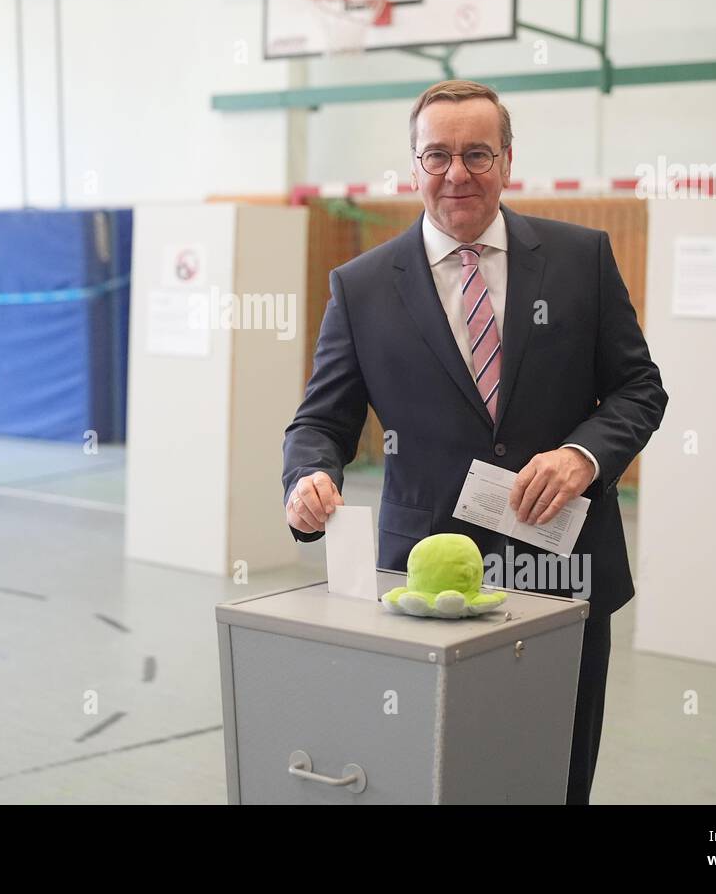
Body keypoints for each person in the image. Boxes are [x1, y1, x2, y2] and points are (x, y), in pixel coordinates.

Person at [282, 79, 668, 805]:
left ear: (508, 160)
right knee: (432, 773)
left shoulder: (580, 258)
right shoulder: (361, 286)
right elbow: (319, 422)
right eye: (438, 154)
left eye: (477, 153)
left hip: (564, 572)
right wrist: (306, 476)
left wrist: (581, 455)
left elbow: (639, 388)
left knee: (555, 773)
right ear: (413, 164)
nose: (456, 172)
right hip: (424, 579)